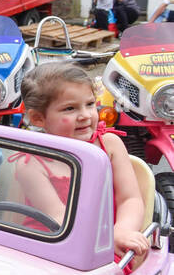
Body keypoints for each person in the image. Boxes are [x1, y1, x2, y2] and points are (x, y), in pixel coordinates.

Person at [16, 62, 149, 264]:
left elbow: (129, 199)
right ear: (38, 118)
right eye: (70, 108)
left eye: (90, 104)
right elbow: (59, 218)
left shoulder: (109, 144)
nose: (85, 115)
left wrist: (122, 231)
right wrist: (108, 238)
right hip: (52, 243)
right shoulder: (31, 163)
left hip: (106, 241)